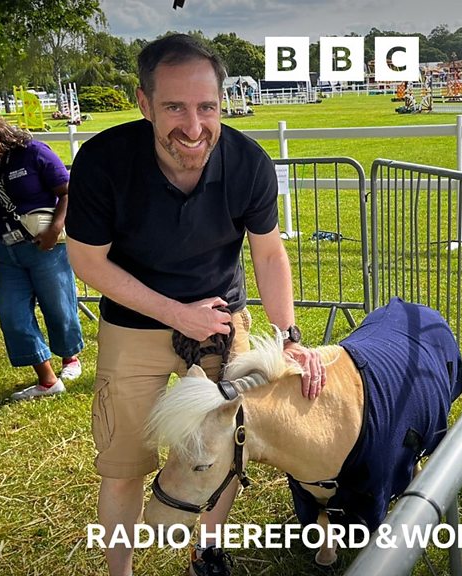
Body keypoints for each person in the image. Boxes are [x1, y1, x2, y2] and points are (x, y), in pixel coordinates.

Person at [65, 34, 326, 576]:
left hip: (219, 323)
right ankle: (121, 571)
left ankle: (205, 554)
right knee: (123, 464)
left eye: (207, 107)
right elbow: (87, 262)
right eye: (174, 107)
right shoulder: (103, 160)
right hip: (133, 326)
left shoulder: (248, 161)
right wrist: (175, 313)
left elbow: (270, 254)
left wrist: (289, 336)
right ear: (143, 103)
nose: (194, 126)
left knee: (221, 450)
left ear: (222, 102)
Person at [0, 106, 84, 400]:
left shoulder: (32, 152)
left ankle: (69, 357)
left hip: (44, 246)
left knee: (58, 307)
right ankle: (46, 380)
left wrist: (55, 229)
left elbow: (68, 191)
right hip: (4, 250)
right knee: (11, 314)